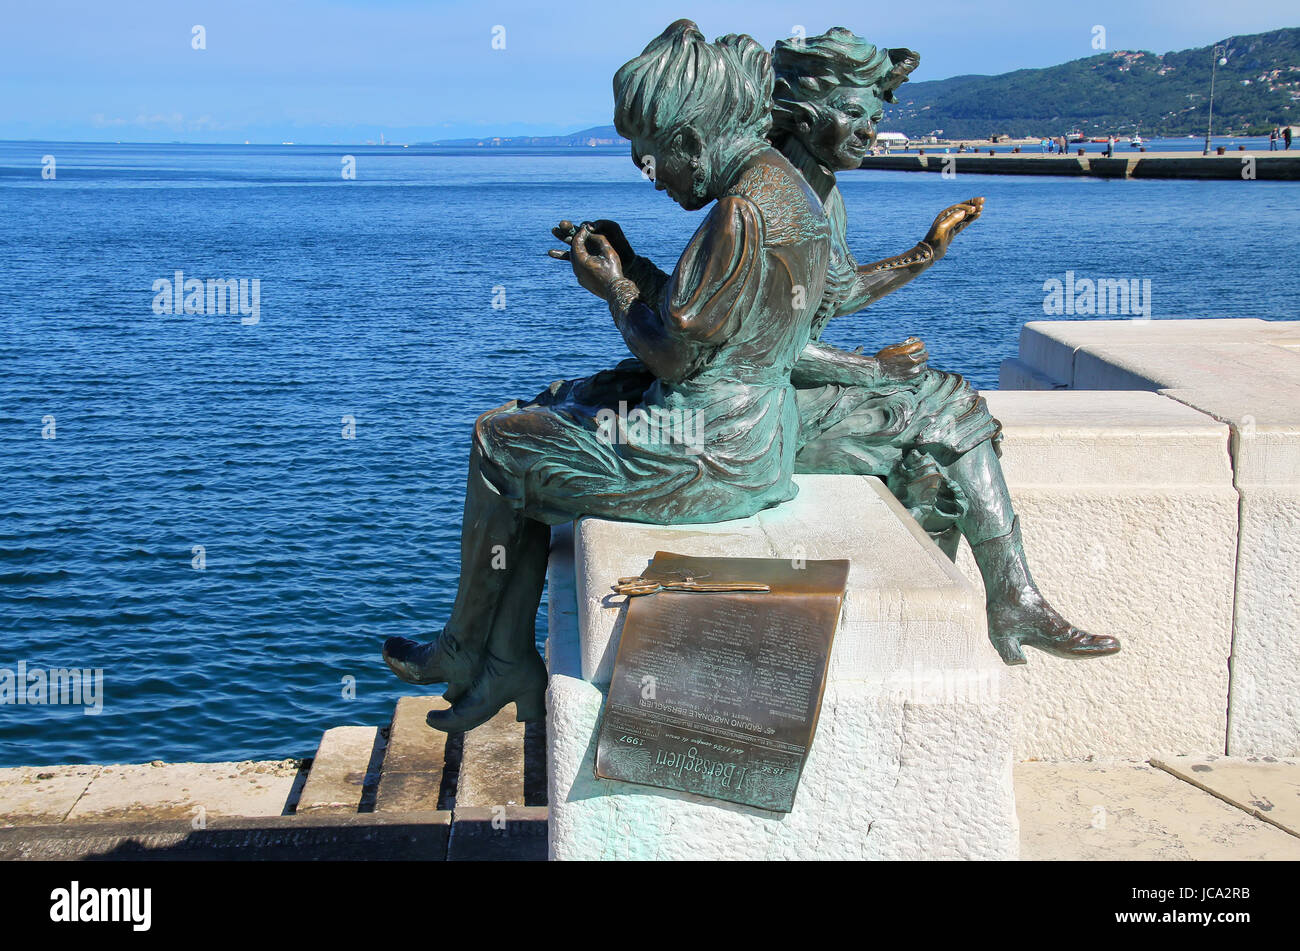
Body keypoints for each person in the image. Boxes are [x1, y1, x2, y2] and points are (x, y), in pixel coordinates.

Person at [381, 20, 832, 732]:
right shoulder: (787, 192)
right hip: (760, 437)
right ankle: (503, 659)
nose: (651, 175)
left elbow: (676, 355)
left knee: (500, 443)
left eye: (652, 158)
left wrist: (613, 291)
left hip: (708, 454)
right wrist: (637, 268)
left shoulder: (740, 213)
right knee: (557, 408)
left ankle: (468, 649)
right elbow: (712, 314)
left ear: (690, 140)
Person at [768, 28, 1118, 665]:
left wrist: (929, 248)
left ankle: (1005, 593)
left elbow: (837, 291)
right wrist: (870, 369)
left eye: (873, 118)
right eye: (853, 114)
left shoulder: (816, 191)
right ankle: (1009, 596)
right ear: (800, 110)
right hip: (767, 410)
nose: (869, 133)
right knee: (942, 409)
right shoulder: (777, 204)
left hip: (791, 384)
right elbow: (764, 349)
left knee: (948, 399)